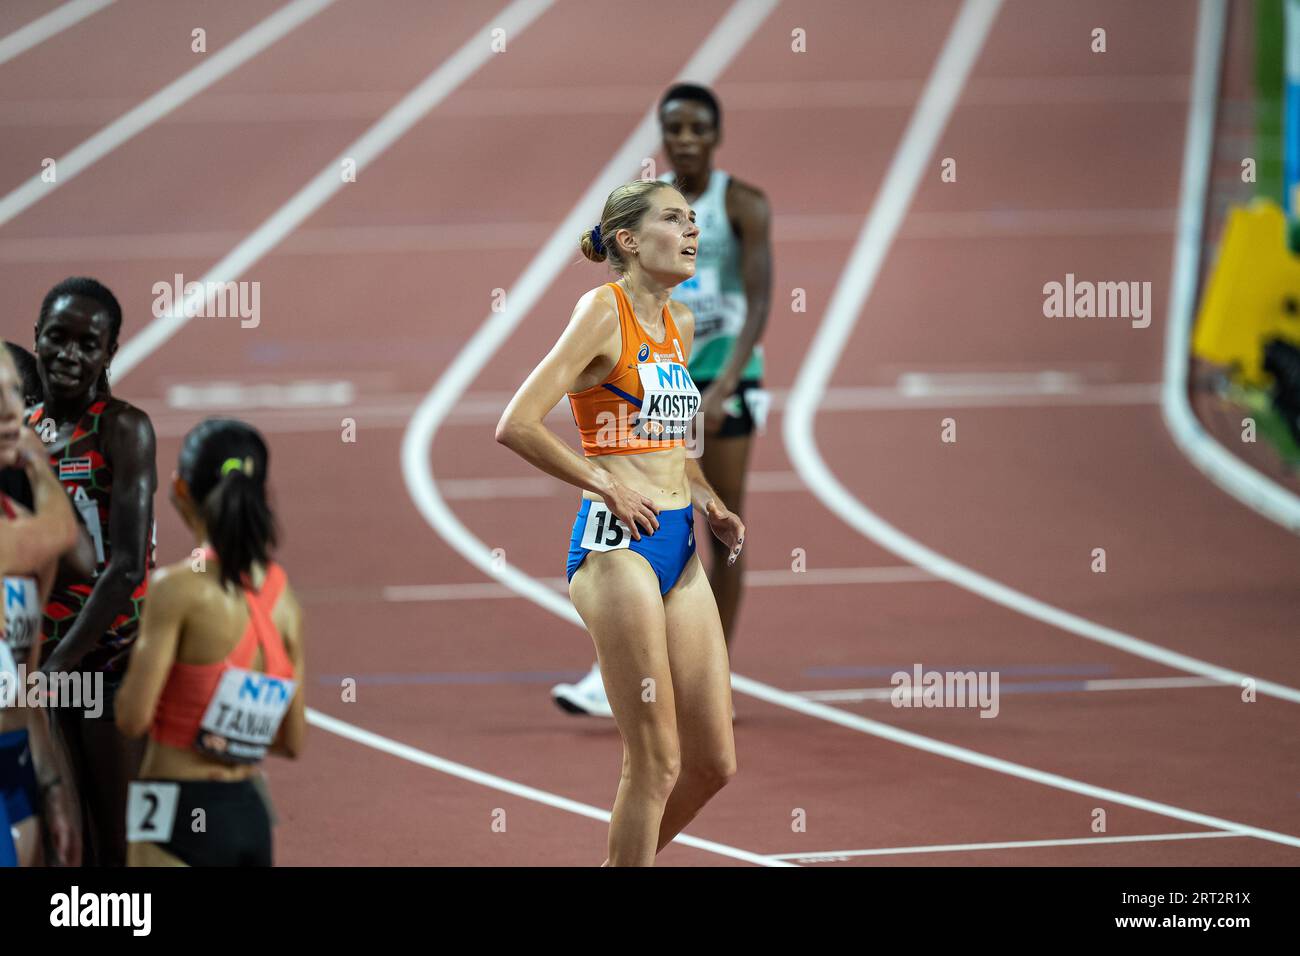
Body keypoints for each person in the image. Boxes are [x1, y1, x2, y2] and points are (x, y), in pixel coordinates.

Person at [497, 179, 744, 865]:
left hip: (677, 544)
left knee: (712, 764)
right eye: (673, 219)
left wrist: (706, 495)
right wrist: (602, 481)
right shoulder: (603, 312)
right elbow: (516, 423)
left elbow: (674, 438)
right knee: (656, 761)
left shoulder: (682, 322)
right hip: (617, 553)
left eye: (694, 220)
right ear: (629, 240)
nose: (691, 231)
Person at [552, 83, 771, 717]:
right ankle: (623, 662)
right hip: (643, 369)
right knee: (639, 503)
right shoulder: (650, 211)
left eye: (699, 129)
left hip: (722, 378)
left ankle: (713, 667)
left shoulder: (741, 205)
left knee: (717, 517)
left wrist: (726, 384)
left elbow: (759, 298)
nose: (686, 139)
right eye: (674, 128)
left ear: (716, 135)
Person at [115, 419, 304, 867]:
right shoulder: (284, 598)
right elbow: (292, 740)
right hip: (249, 813)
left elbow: (132, 718)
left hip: (175, 811)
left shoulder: (175, 590)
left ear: (180, 490)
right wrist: (221, 735)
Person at [26, 276, 158, 866]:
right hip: (37, 666)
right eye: (57, 337)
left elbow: (127, 566)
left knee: (115, 844)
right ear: (36, 339)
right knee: (57, 841)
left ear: (110, 353)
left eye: (88, 343)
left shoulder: (123, 429)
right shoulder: (21, 435)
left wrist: (57, 668)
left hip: (104, 665)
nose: (69, 355)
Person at [0, 347, 82, 867]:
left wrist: (49, 779)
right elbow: (62, 532)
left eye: (14, 393)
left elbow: (25, 676)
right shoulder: (29, 535)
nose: (13, 412)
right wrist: (39, 461)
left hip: (14, 765)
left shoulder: (17, 522)